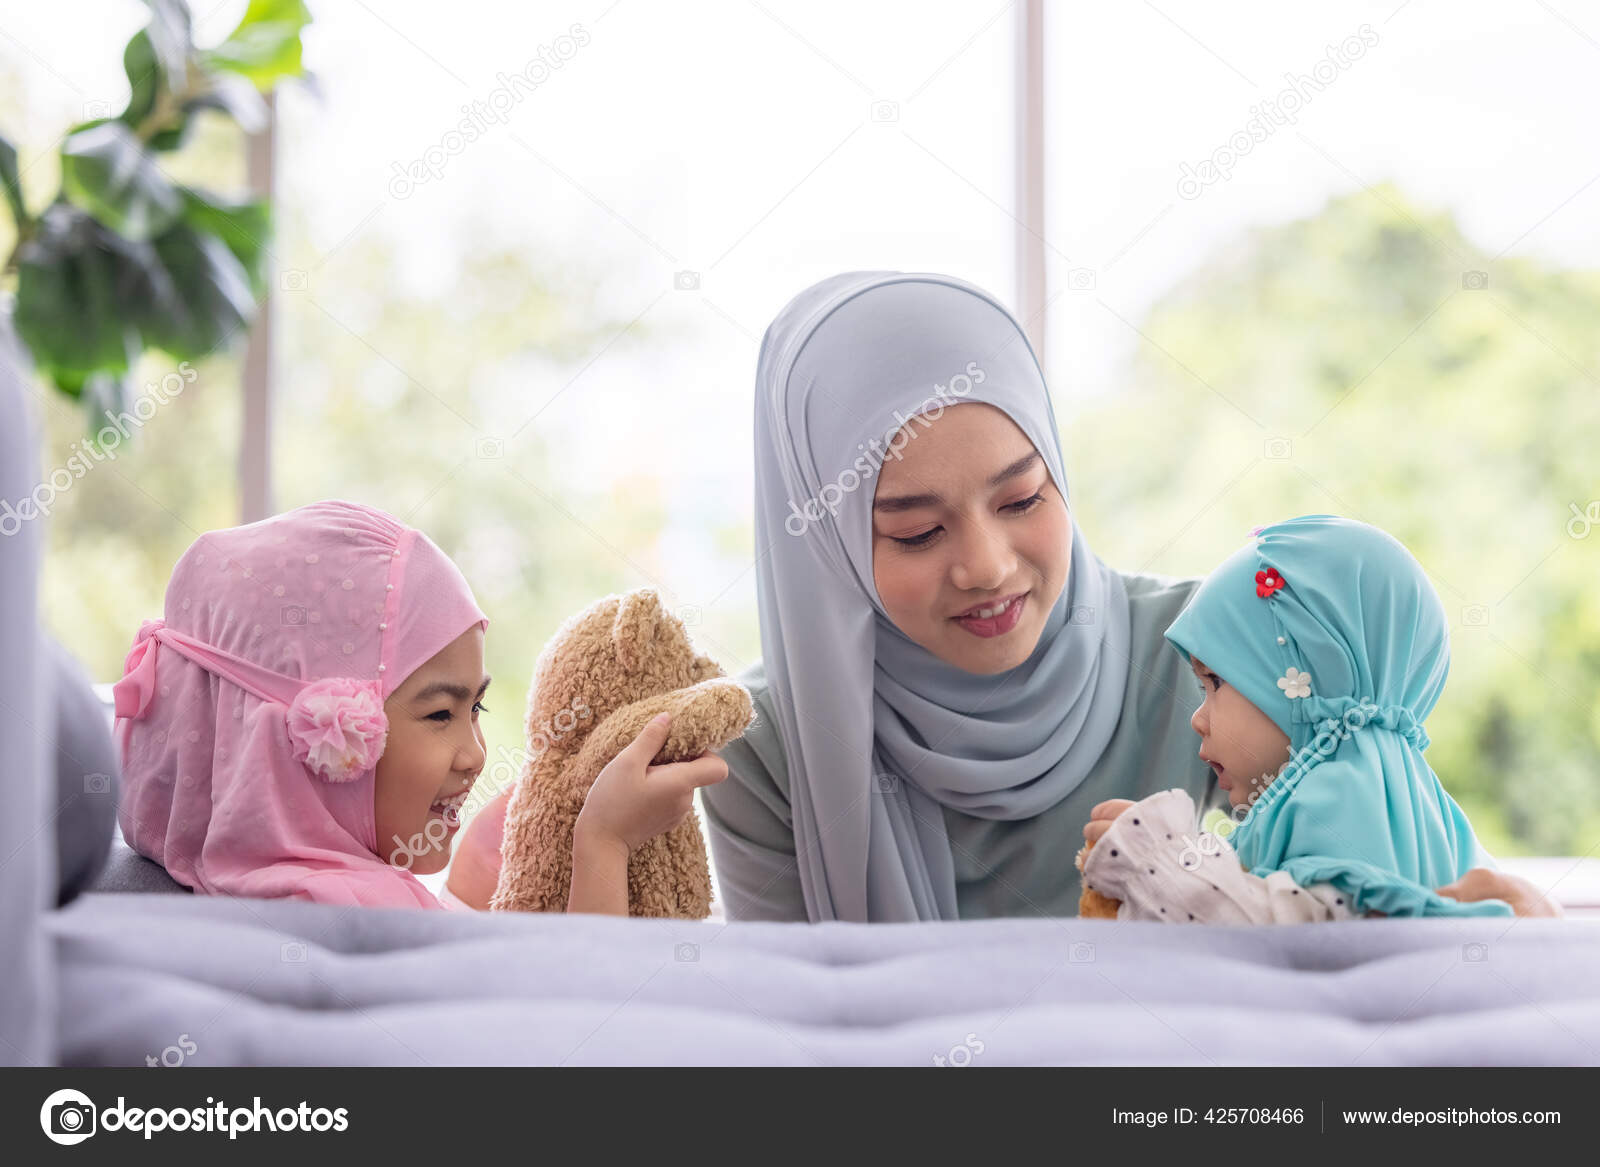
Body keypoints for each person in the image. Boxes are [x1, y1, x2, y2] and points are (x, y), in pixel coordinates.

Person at [702, 270, 1551, 923]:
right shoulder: (765, 746)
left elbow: (1379, 862)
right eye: (918, 532)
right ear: (826, 542)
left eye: (1022, 499)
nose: (987, 567)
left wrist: (1507, 914)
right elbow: (789, 1030)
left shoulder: (1198, 655)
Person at [113, 499, 725, 913]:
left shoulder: (215, 882)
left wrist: (462, 897)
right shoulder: (353, 916)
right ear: (305, 735)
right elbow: (580, 1043)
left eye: (477, 709)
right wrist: (604, 844)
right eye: (439, 715)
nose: (475, 755)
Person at [1079, 515, 1553, 922]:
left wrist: (1161, 864)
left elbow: (1300, 941)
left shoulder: (1343, 794)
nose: (1198, 720)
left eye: (1216, 682)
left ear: (1314, 678)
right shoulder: (1389, 798)